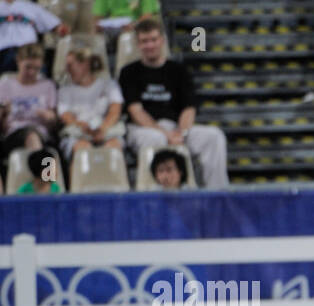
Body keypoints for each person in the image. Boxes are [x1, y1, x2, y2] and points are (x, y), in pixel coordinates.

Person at [119, 17, 229, 187]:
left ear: (162, 41)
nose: (149, 45)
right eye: (144, 41)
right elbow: (135, 111)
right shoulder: (128, 72)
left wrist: (181, 133)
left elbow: (188, 108)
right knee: (156, 139)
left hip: (177, 127)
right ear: (138, 44)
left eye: (153, 40)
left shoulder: (179, 71)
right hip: (143, 130)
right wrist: (166, 134)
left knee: (214, 137)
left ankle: (218, 194)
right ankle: (153, 196)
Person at [57, 48, 125, 165]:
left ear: (85, 64)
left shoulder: (109, 84)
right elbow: (66, 116)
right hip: (78, 133)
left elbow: (115, 110)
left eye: (70, 65)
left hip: (107, 130)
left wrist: (103, 129)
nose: (67, 70)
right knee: (83, 149)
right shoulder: (64, 90)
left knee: (113, 147)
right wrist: (84, 128)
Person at [0, 43, 58, 174]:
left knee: (41, 142)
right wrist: (4, 112)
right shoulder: (5, 84)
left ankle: (45, 182)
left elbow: (54, 122)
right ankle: (43, 180)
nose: (31, 72)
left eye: (36, 68)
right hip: (14, 134)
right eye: (28, 67)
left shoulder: (48, 86)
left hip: (42, 134)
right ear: (18, 61)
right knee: (31, 136)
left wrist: (49, 117)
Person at [0, 2, 66, 74]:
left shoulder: (30, 6)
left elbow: (57, 26)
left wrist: (61, 30)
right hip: (3, 50)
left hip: (29, 50)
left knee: (39, 69)